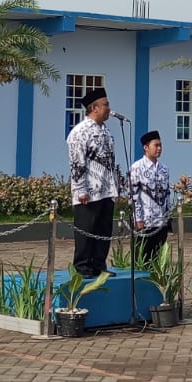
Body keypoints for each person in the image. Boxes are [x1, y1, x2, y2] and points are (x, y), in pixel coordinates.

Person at [67, 86, 120, 279]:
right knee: (86, 231)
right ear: (94, 108)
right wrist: (81, 189)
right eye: (105, 105)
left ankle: (99, 265)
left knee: (103, 231)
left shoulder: (105, 131)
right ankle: (82, 267)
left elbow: (111, 162)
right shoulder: (80, 132)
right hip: (88, 191)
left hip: (106, 190)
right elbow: (77, 162)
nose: (108, 108)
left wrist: (115, 186)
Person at [128, 130, 174, 265]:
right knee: (143, 258)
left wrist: (168, 217)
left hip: (161, 222)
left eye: (160, 145)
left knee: (157, 258)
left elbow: (167, 194)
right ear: (146, 147)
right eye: (156, 145)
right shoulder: (137, 168)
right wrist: (138, 219)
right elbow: (133, 195)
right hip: (145, 221)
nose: (159, 149)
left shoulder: (164, 169)